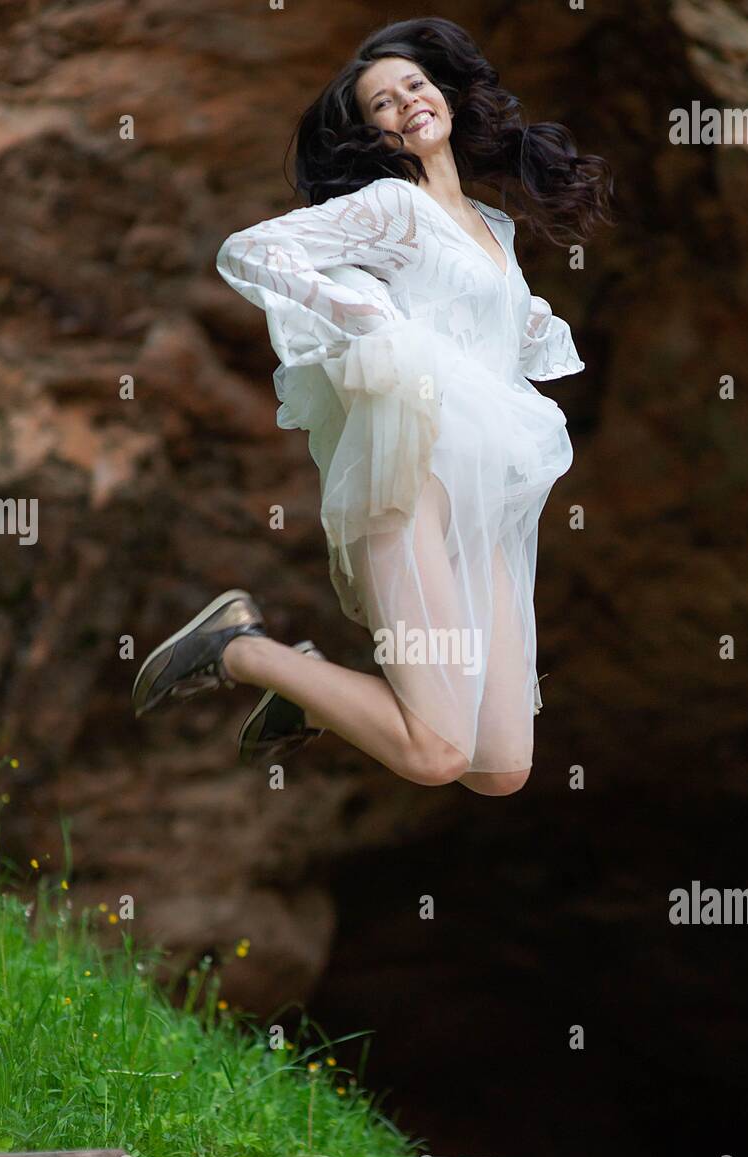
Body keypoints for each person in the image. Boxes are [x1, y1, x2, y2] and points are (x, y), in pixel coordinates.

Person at [132, 17, 613, 796]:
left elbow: (489, 331)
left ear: (447, 96)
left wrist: (523, 325)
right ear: (375, 135)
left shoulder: (493, 227)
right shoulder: (393, 206)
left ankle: (307, 688)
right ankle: (236, 649)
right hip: (411, 479)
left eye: (415, 85)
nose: (406, 104)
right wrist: (363, 317)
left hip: (484, 503)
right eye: (382, 104)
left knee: (499, 769)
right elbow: (251, 250)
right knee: (434, 756)